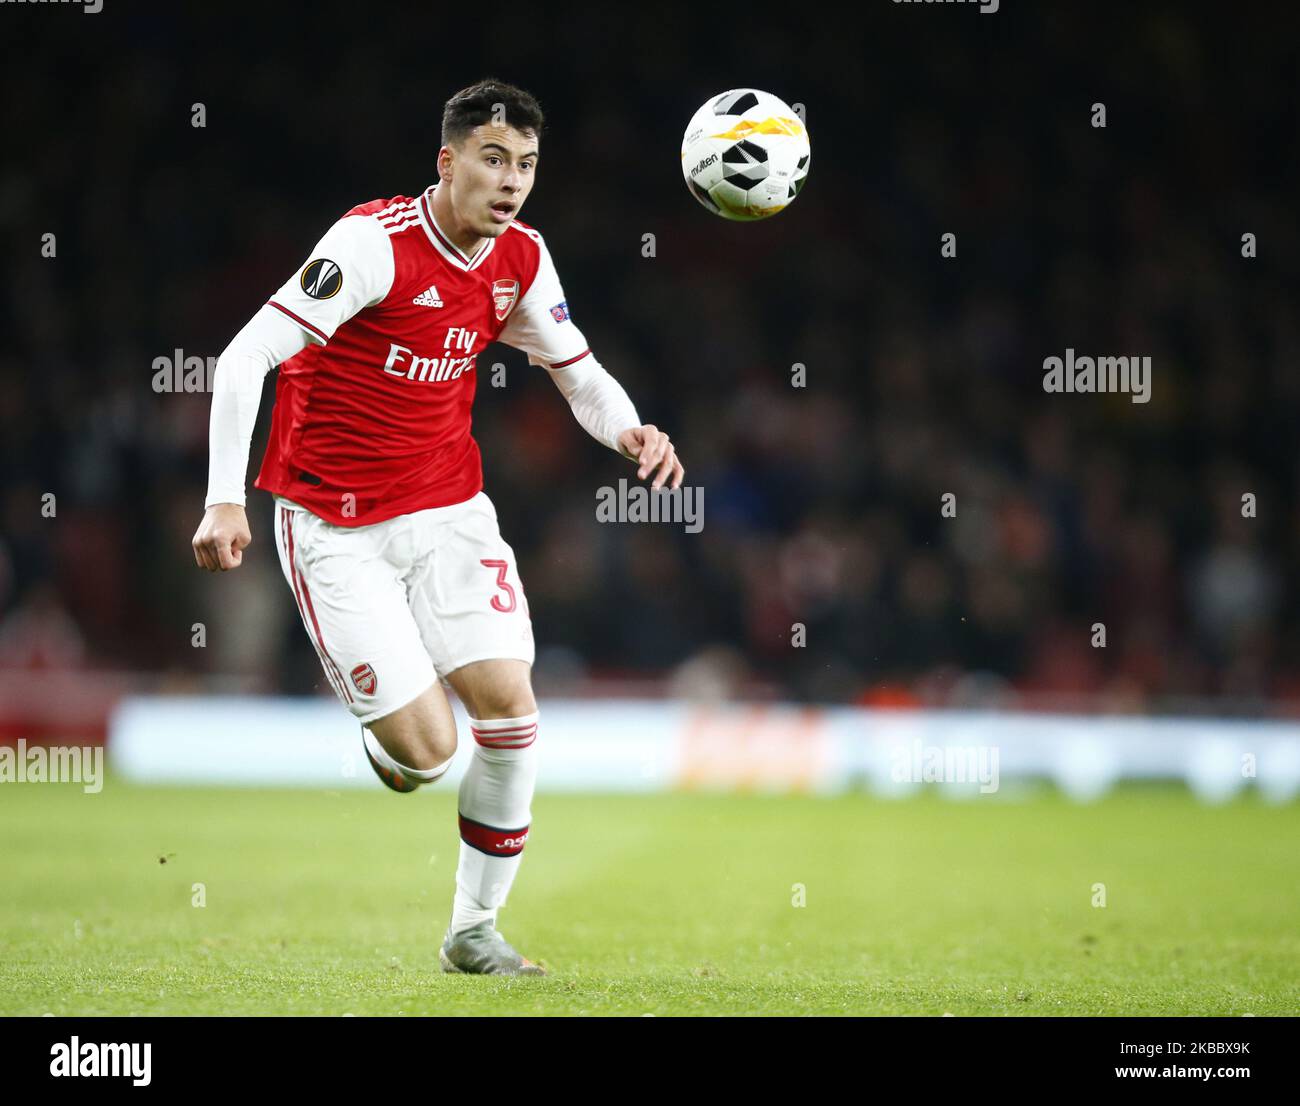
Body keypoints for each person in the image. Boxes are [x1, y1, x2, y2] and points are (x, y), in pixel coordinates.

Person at [191, 79, 684, 975]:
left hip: (450, 512)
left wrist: (630, 428)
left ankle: (473, 933)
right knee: (429, 752)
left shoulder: (523, 260)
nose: (511, 182)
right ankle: (398, 751)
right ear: (448, 161)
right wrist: (226, 497)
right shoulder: (371, 246)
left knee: (513, 719)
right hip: (334, 524)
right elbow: (245, 356)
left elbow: (580, 374)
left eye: (527, 165)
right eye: (494, 160)